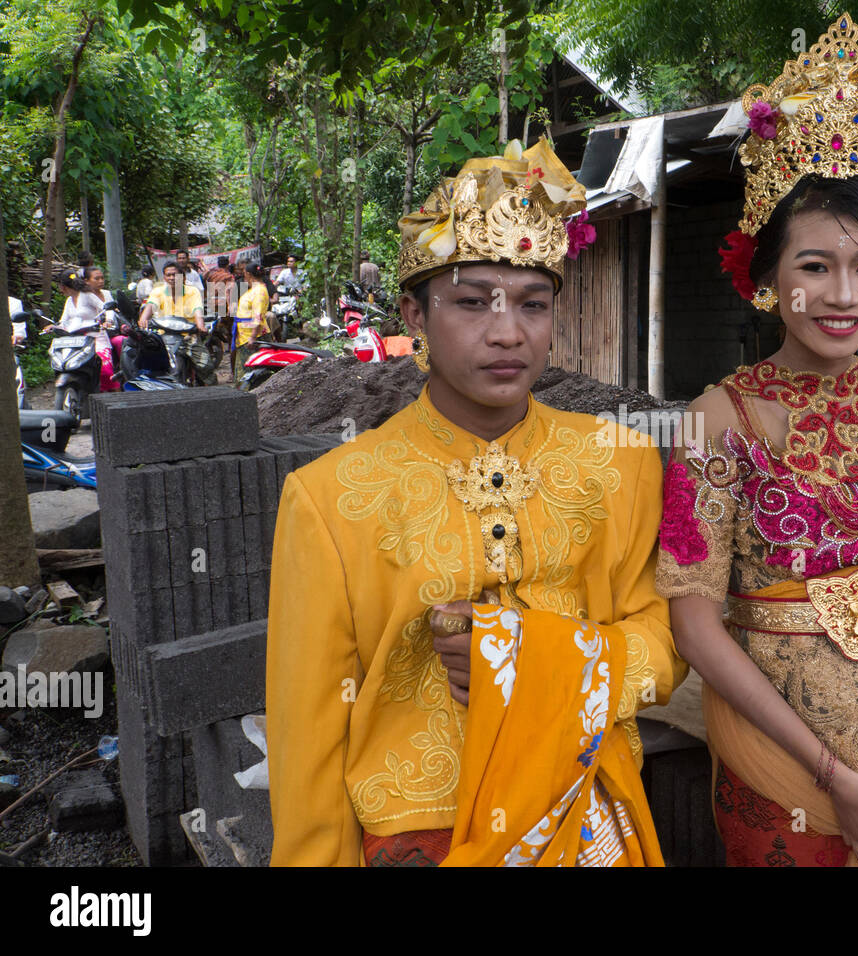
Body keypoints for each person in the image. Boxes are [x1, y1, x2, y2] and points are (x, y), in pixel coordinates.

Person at [265, 137, 687, 867]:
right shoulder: (331, 498)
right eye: (470, 303)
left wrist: (550, 662)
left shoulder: (618, 462)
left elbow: (666, 638)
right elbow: (308, 733)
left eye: (533, 304)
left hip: (583, 808)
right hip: (419, 834)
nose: (507, 332)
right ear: (415, 317)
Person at [655, 13, 858, 869]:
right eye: (814, 266)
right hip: (782, 775)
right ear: (766, 279)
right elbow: (695, 626)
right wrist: (830, 772)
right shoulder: (715, 420)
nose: (844, 294)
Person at [138, 260, 216, 386]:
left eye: (174, 275)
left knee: (205, 365)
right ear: (164, 277)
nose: (171, 278)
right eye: (168, 275)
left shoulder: (192, 291)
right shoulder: (158, 291)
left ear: (182, 277)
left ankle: (215, 394)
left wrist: (200, 325)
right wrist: (143, 319)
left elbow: (197, 309)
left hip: (188, 336)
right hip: (164, 338)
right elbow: (151, 305)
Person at [56, 269, 115, 392]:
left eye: (60, 287)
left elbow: (107, 308)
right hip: (76, 341)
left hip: (95, 337)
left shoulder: (87, 296)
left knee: (105, 370)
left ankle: (115, 395)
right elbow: (64, 321)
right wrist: (53, 327)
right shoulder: (69, 301)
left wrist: (108, 321)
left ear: (64, 287)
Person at [233, 262, 270, 385]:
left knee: (249, 373)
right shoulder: (254, 290)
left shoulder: (259, 291)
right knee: (243, 371)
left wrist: (253, 337)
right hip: (244, 335)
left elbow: (258, 316)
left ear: (248, 274)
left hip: (252, 336)